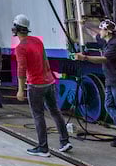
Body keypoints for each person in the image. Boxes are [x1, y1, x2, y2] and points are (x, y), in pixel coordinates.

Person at [13, 14, 72, 156]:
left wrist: (21, 89)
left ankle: (43, 147)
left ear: (16, 28)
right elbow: (45, 59)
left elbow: (21, 69)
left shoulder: (20, 47)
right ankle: (65, 141)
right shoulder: (37, 41)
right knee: (55, 111)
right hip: (49, 81)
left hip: (35, 84)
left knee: (38, 115)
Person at [74, 19, 116, 150]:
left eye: (102, 30)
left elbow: (104, 59)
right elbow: (95, 33)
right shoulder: (109, 41)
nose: (100, 32)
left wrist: (85, 58)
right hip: (111, 80)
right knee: (108, 105)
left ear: (108, 32)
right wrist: (84, 25)